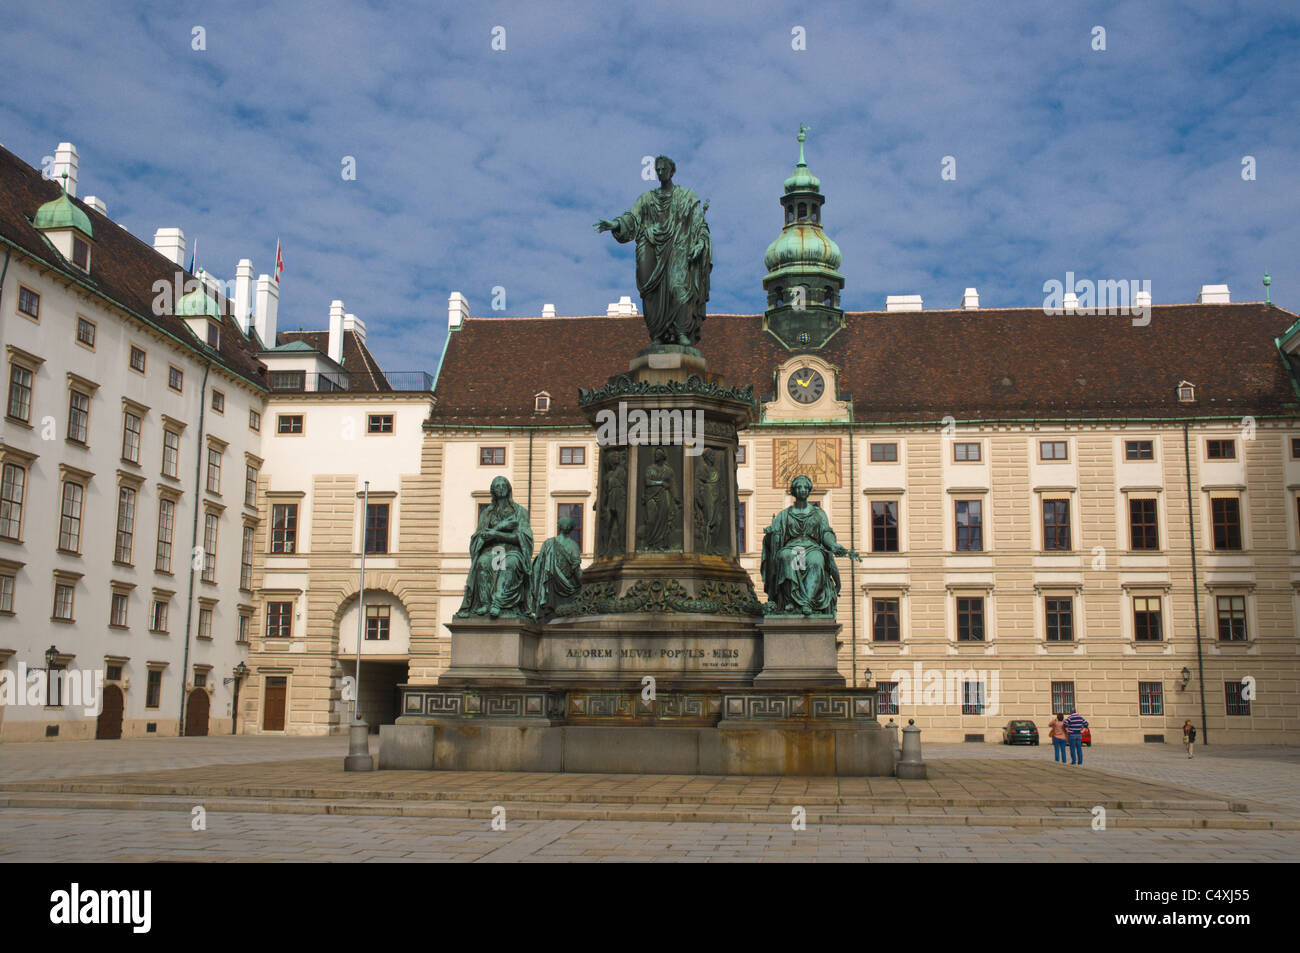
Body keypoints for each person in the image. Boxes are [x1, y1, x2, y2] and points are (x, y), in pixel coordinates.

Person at [594, 155, 712, 347]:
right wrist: (615, 224)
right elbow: (632, 218)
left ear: (671, 171)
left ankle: (682, 332)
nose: (659, 172)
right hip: (651, 248)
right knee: (650, 294)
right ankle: (657, 334)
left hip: (678, 250)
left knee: (678, 289)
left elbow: (700, 224)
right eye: (656, 169)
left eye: (663, 169)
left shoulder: (687, 197)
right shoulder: (647, 199)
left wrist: (699, 243)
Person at [761, 475, 861, 615]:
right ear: (794, 491)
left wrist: (833, 545)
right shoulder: (784, 515)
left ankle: (807, 602)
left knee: (816, 561)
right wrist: (770, 534)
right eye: (799, 487)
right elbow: (775, 537)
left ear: (809, 491)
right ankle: (791, 601)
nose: (802, 490)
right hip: (792, 547)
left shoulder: (819, 514)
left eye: (805, 487)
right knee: (786, 556)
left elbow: (825, 533)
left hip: (812, 547)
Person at [457, 476, 534, 619]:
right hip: (493, 551)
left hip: (512, 551)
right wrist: (495, 531)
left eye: (503, 485)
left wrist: (496, 534)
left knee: (509, 564)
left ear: (508, 488)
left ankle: (498, 603)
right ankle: (485, 603)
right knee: (483, 562)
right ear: (493, 491)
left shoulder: (520, 512)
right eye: (497, 486)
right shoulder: (487, 513)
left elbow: (523, 538)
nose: (500, 488)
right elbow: (479, 537)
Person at [531, 516, 582, 621]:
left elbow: (540, 564)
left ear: (559, 526)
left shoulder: (549, 543)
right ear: (572, 528)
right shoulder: (573, 545)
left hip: (550, 582)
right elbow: (576, 566)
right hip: (565, 583)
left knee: (550, 612)